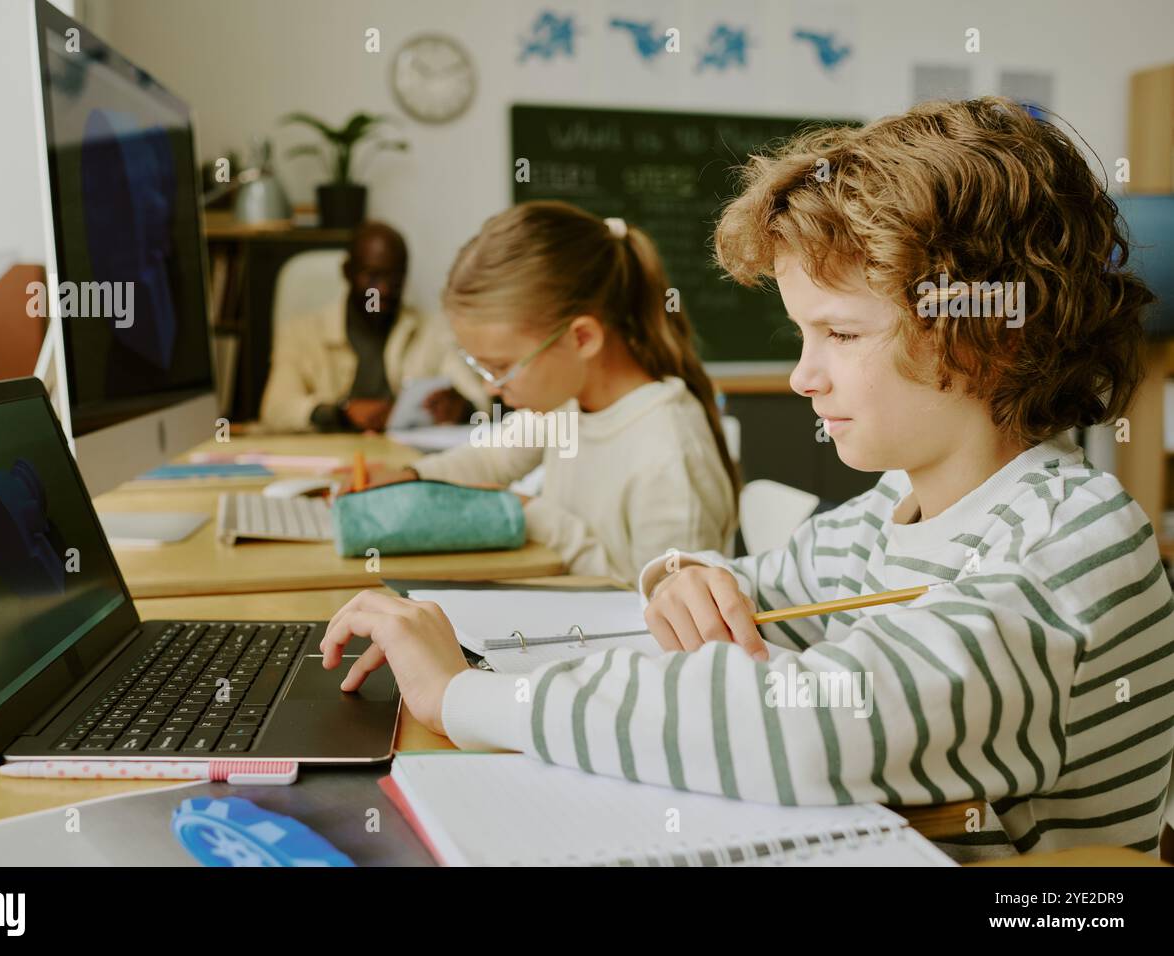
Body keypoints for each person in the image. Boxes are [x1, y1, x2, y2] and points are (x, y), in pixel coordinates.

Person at [317, 99, 1174, 858]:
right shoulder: (892, 508)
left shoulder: (1069, 548)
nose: (804, 377)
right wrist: (688, 578)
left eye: (838, 335)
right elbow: (756, 587)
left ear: (990, 335)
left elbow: (808, 729)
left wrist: (462, 696)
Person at [355, 200, 738, 586]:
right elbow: (491, 461)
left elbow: (662, 612)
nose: (490, 386)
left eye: (502, 367)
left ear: (583, 338)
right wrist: (408, 476)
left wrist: (531, 514)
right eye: (483, 367)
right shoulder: (569, 404)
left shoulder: (670, 456)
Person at [259, 221, 481, 432]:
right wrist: (338, 413)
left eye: (394, 278)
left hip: (401, 455)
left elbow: (480, 399)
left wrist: (461, 408)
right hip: (329, 454)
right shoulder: (301, 332)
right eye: (372, 277)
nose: (382, 290)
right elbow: (275, 409)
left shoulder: (433, 330)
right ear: (347, 272)